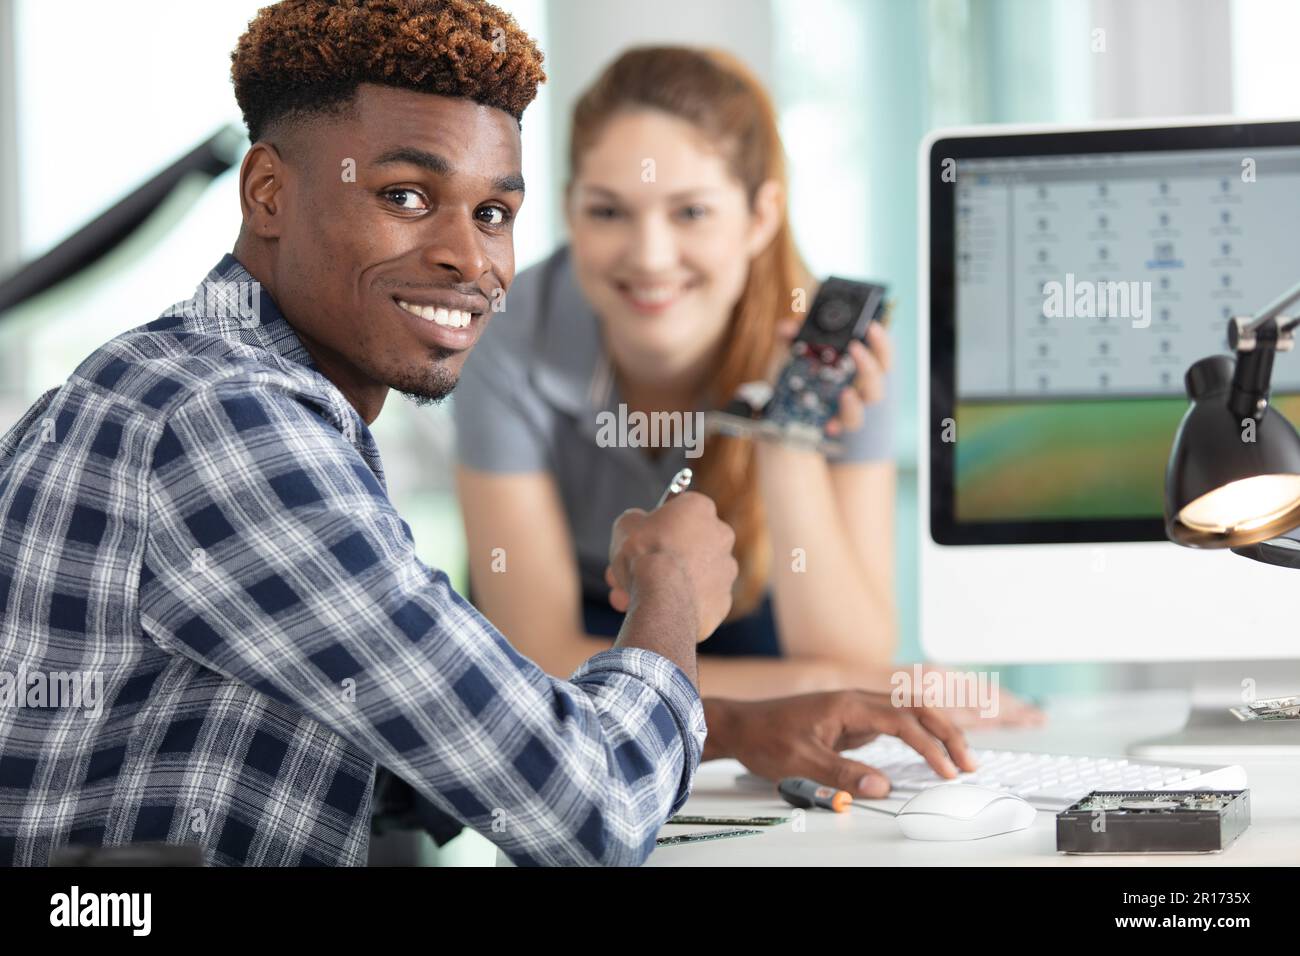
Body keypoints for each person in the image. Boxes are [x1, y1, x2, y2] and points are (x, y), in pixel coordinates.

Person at [0, 0, 973, 868]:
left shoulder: (202, 384)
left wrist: (719, 725)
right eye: (405, 196)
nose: (469, 259)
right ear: (267, 194)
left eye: (494, 212)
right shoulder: (230, 422)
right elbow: (589, 815)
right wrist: (671, 592)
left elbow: (409, 734)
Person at [453, 46, 1040, 723]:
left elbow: (848, 652)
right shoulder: (505, 332)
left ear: (760, 218)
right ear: (568, 211)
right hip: (586, 637)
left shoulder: (835, 354)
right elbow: (537, 660)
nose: (650, 256)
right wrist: (822, 686)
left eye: (691, 213)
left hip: (753, 626)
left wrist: (786, 436)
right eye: (609, 212)